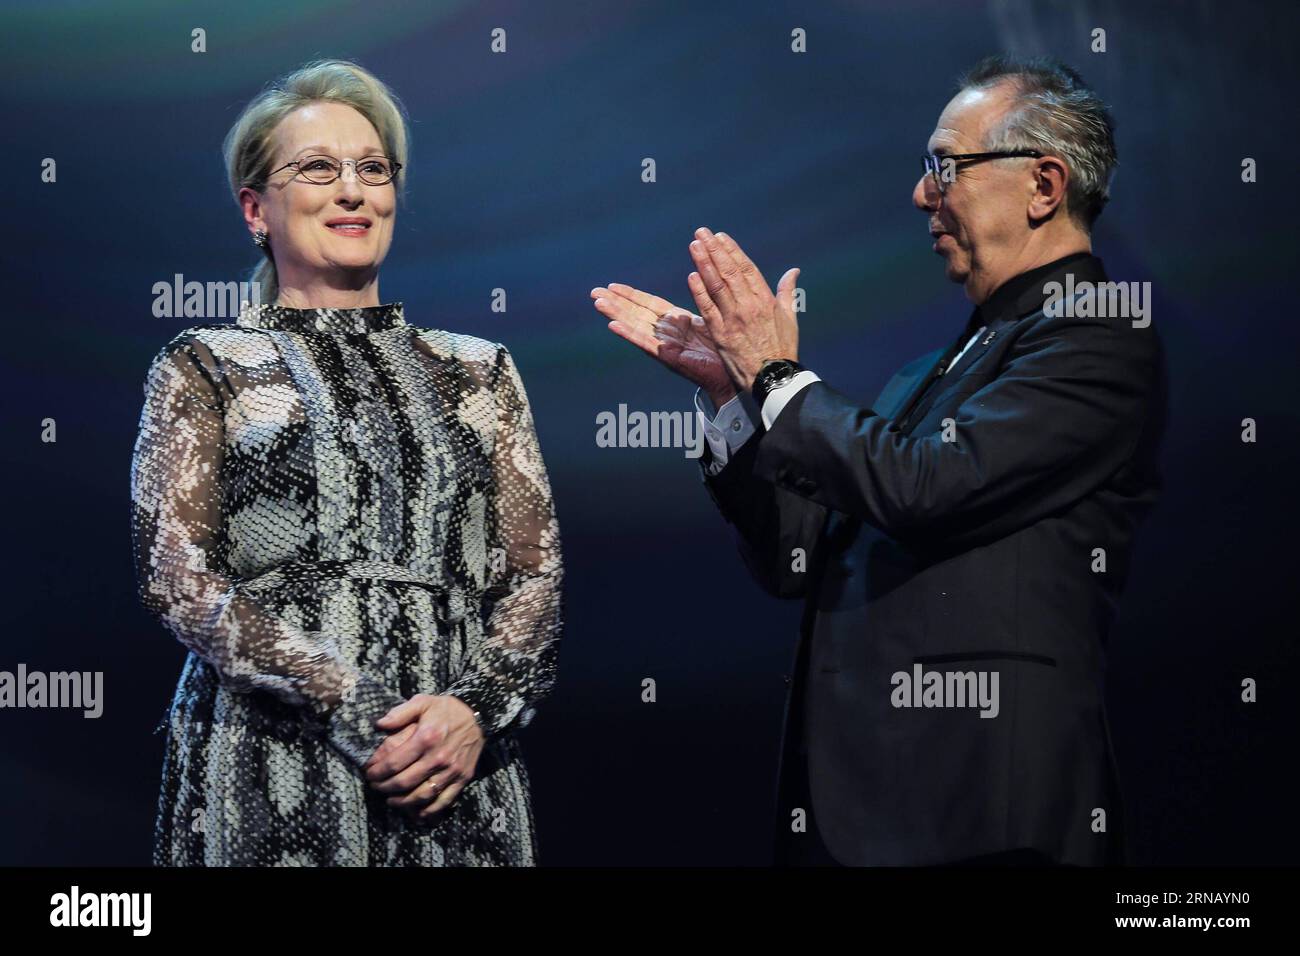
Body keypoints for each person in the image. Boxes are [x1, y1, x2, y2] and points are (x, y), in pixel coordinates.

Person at [592, 54, 1165, 866]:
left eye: (945, 165)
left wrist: (776, 374)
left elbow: (927, 486)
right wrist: (735, 397)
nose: (921, 193)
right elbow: (799, 557)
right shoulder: (921, 378)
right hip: (861, 810)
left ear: (1044, 185)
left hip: (986, 813)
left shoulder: (1100, 335)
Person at [130, 58, 564, 866]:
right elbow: (177, 578)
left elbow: (534, 578)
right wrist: (355, 707)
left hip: (452, 766)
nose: (353, 191)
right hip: (271, 756)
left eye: (373, 169)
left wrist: (473, 713)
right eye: (319, 169)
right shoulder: (207, 364)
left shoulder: (481, 369)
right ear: (256, 208)